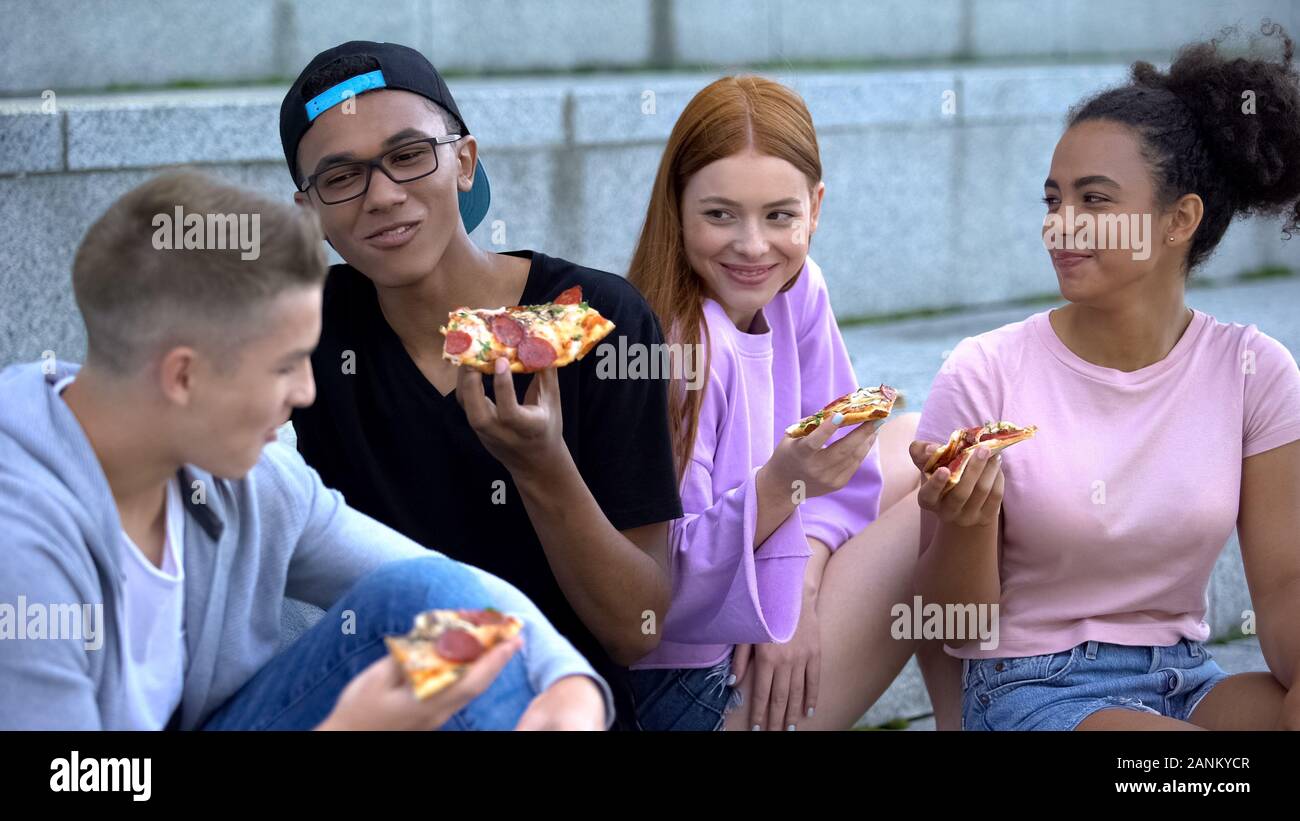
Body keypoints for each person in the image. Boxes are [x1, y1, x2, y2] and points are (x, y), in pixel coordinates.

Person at [0, 171, 610, 730]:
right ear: (183, 377)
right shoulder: (22, 551)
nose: (307, 391)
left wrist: (567, 684)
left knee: (420, 603)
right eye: (287, 365)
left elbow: (433, 584)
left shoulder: (250, 479)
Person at [279, 41, 682, 729]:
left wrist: (541, 466)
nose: (382, 195)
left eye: (410, 156)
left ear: (464, 162)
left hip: (555, 702)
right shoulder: (304, 328)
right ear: (310, 208)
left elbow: (637, 625)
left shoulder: (598, 318)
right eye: (341, 177)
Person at [911, 22, 1300, 730]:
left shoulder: (1255, 372)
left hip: (1187, 679)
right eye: (1053, 200)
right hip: (1032, 688)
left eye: (1093, 200)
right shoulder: (986, 370)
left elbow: (1282, 586)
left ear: (1179, 219)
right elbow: (950, 628)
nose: (1061, 224)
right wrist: (965, 523)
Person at [625, 75, 940, 731]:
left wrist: (796, 586)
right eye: (719, 214)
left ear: (815, 207)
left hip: (758, 586)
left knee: (923, 441)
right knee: (955, 505)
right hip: (691, 684)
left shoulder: (796, 284)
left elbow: (838, 472)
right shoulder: (680, 349)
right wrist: (784, 485)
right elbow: (662, 594)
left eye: (780, 215)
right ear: (675, 206)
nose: (752, 245)